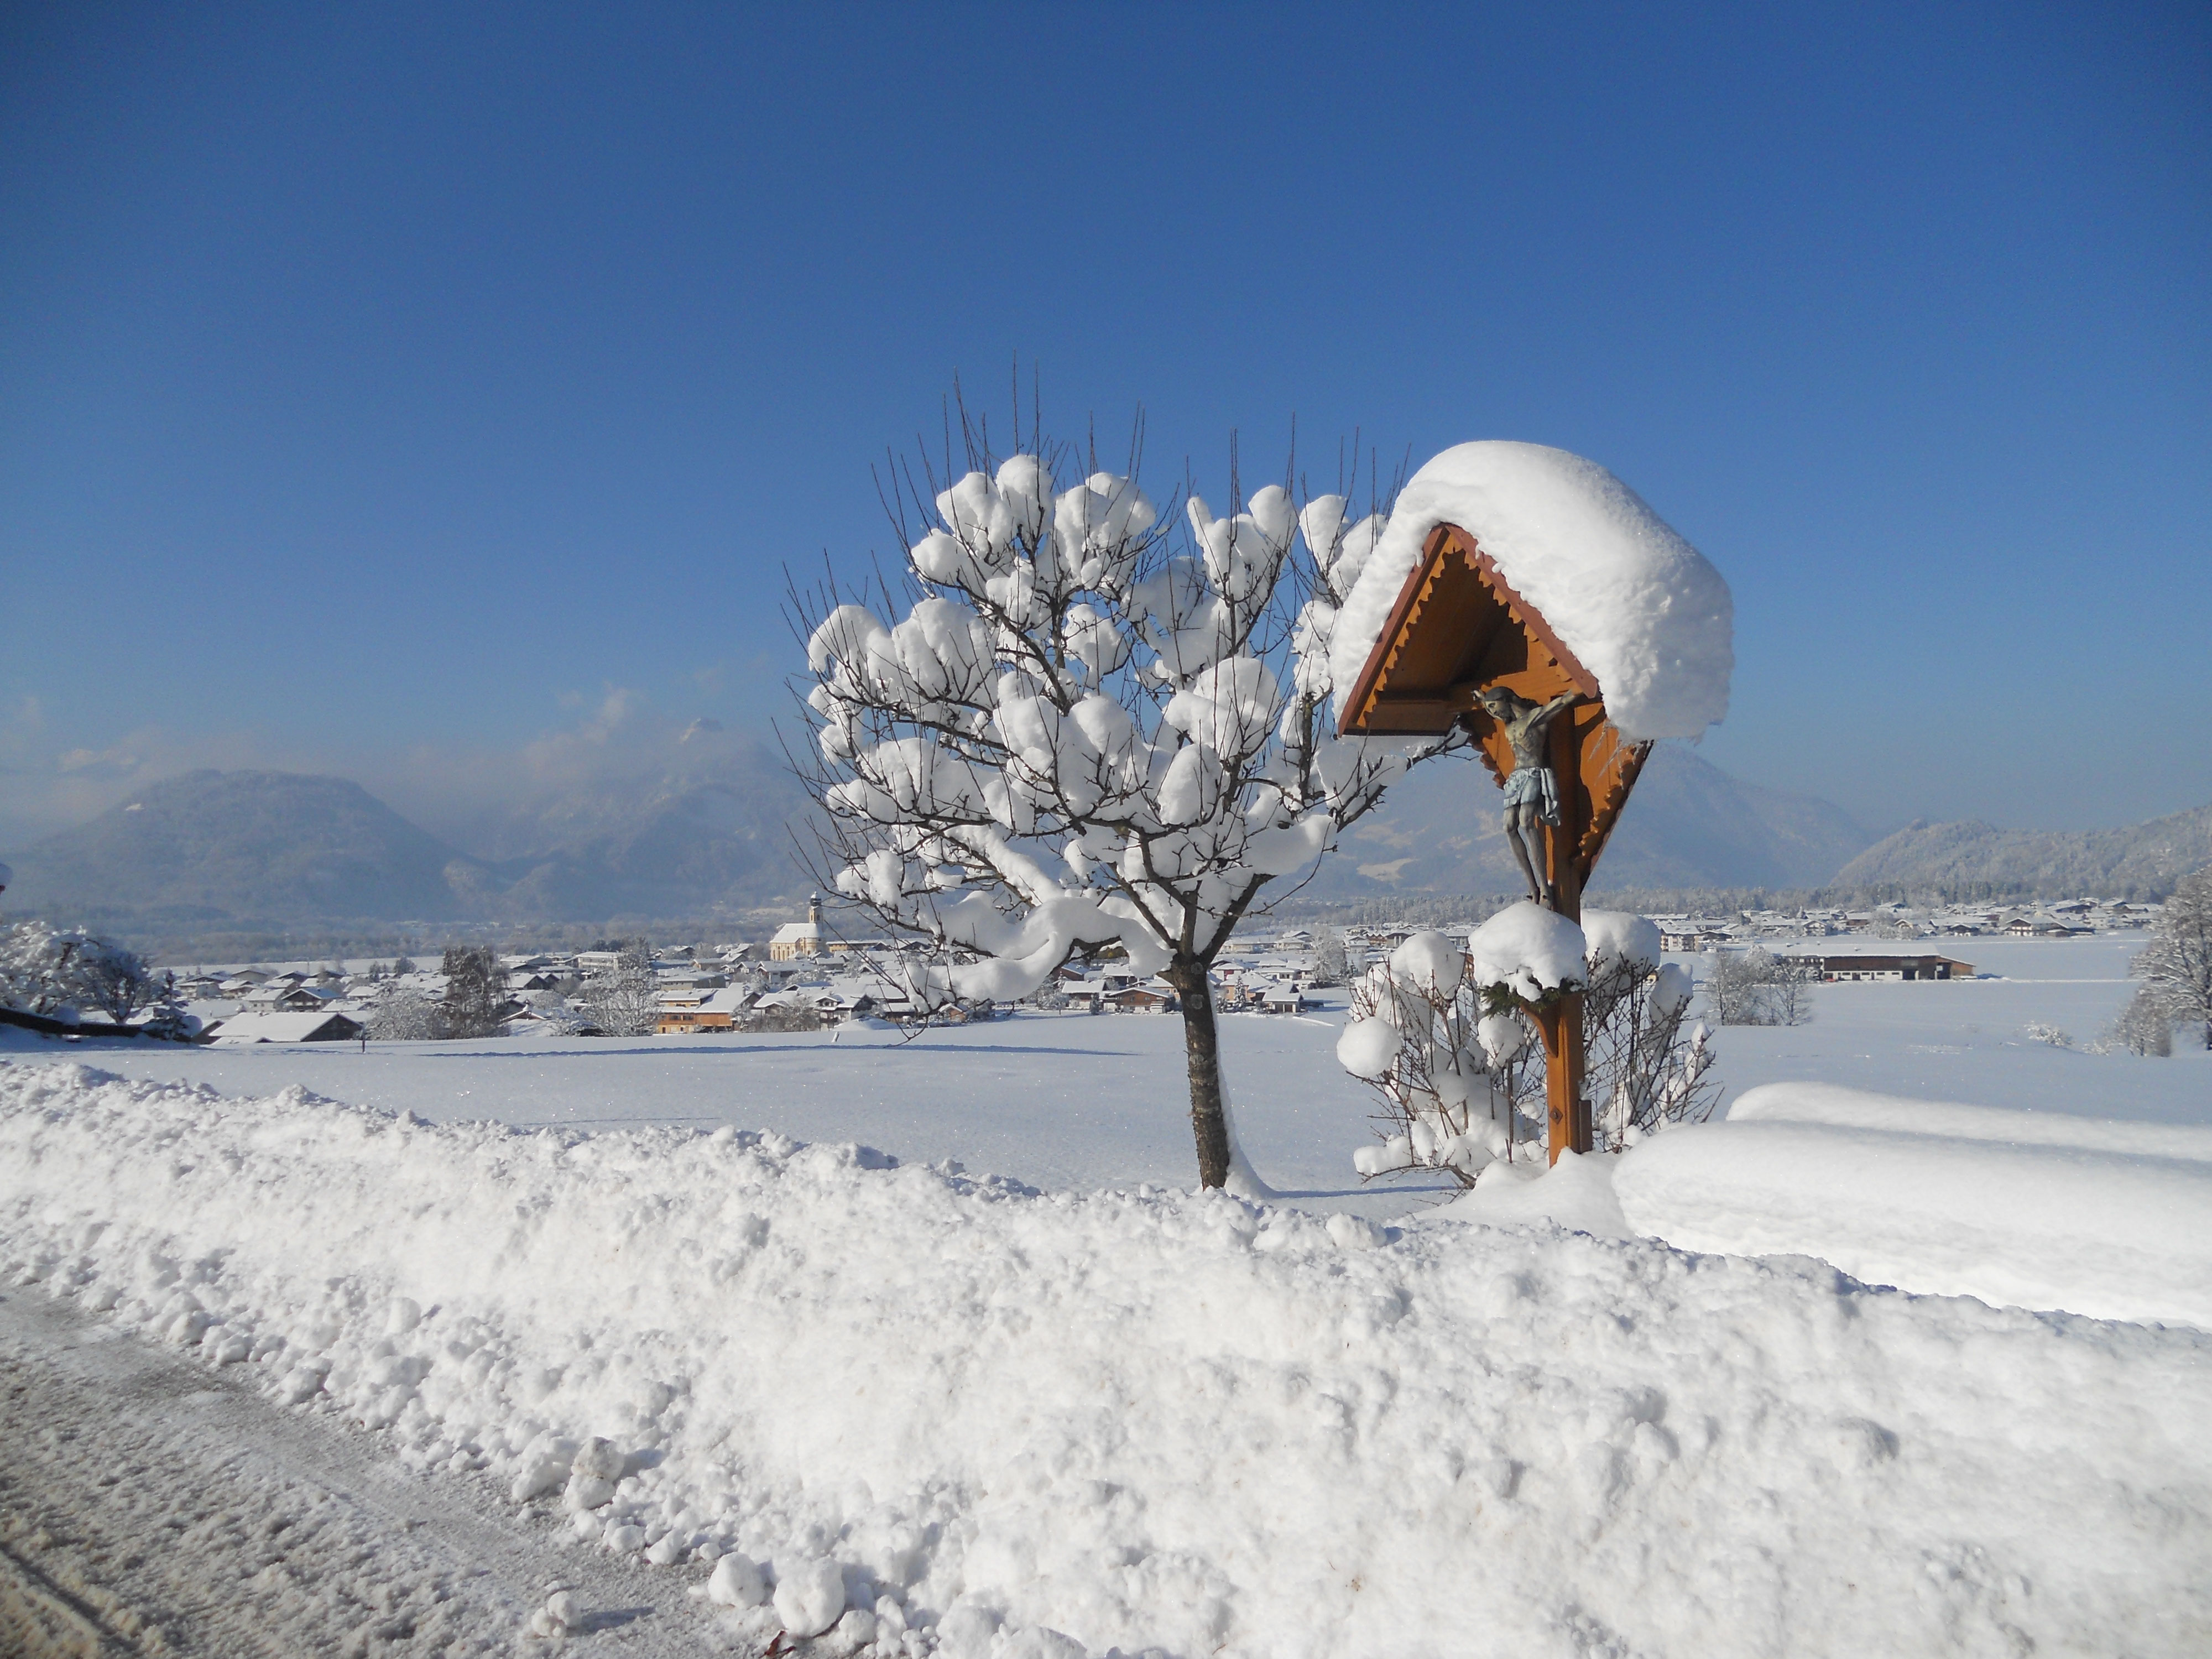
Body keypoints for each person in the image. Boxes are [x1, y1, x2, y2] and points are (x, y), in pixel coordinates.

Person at [1467, 685, 1584, 909]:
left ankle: (1544, 885)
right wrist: (1483, 699)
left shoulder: (1534, 719)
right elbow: (1491, 709)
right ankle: (1533, 887)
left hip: (1533, 772)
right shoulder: (1509, 726)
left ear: (1507, 700)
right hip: (1517, 777)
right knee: (1509, 827)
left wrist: (1574, 692)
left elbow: (1557, 705)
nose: (1495, 713)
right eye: (1491, 709)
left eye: (1496, 707)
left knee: (1527, 822)